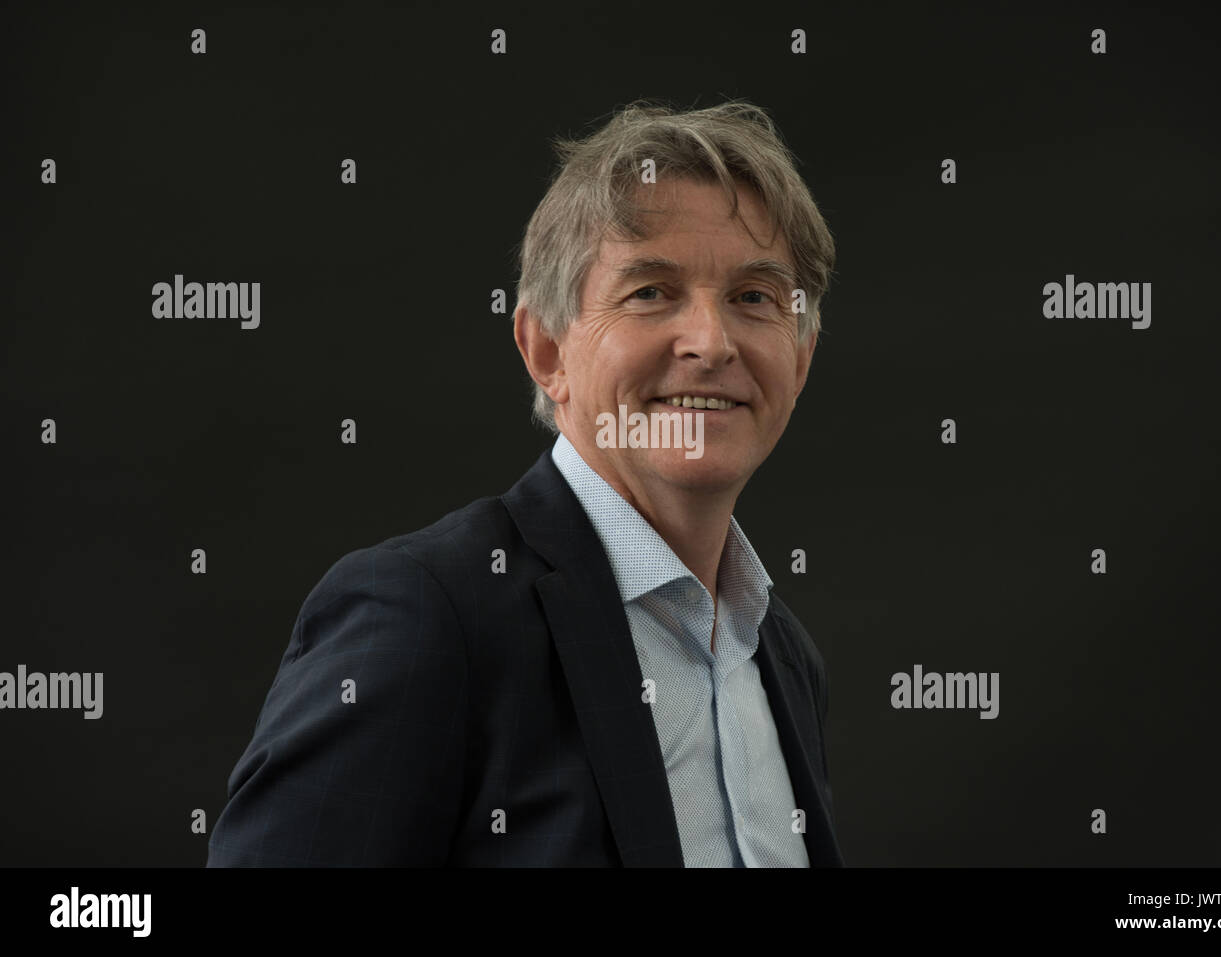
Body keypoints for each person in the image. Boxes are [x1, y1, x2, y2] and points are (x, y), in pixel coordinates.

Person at [207, 98, 841, 867]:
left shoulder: (781, 655)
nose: (711, 342)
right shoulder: (426, 616)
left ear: (800, 360)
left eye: (753, 298)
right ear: (546, 351)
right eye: (650, 291)